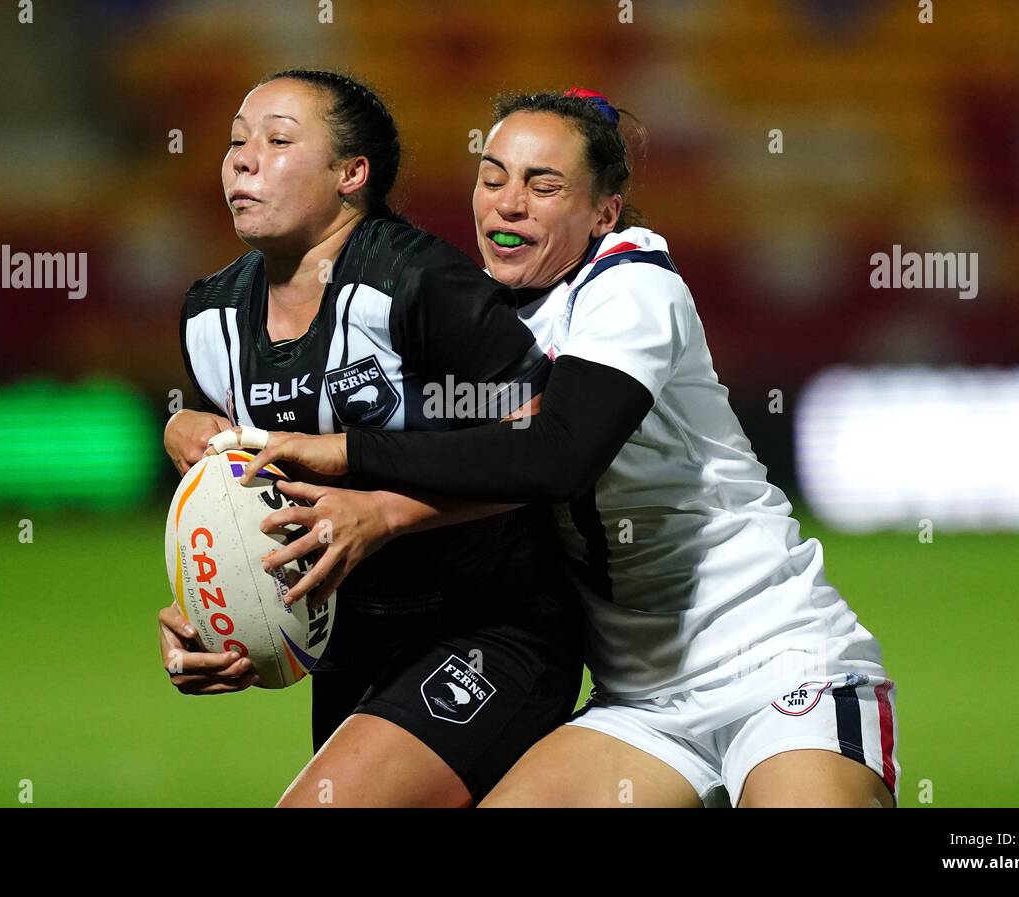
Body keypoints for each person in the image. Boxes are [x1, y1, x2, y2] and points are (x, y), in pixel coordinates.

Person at [241, 87, 900, 808]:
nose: (507, 204)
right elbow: (410, 496)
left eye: (543, 185)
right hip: (639, 706)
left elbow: (559, 454)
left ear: (604, 212)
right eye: (492, 178)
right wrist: (234, 598)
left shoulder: (631, 284)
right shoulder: (472, 322)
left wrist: (350, 456)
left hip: (780, 667)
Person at [158, 70, 586, 807]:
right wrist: (214, 609)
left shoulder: (419, 285)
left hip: (490, 628)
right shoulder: (211, 320)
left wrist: (387, 513)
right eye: (236, 141)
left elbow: (548, 445)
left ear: (352, 174)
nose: (242, 159)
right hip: (350, 646)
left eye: (278, 140)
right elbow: (243, 508)